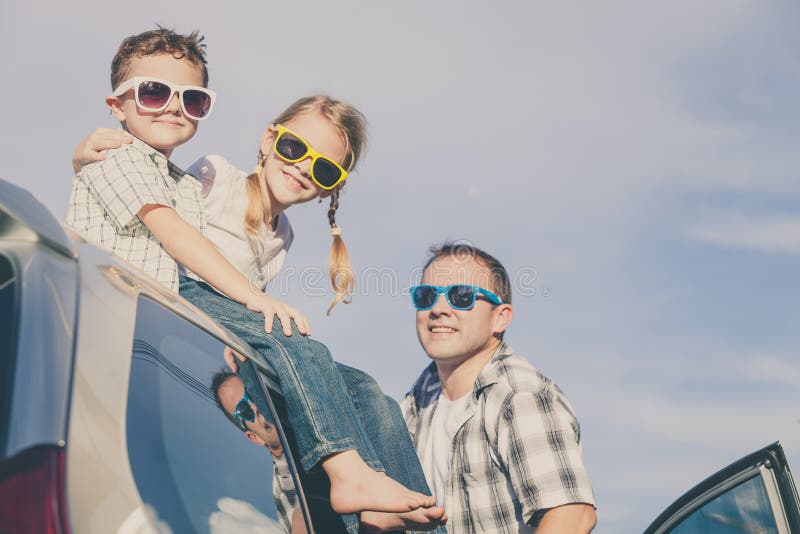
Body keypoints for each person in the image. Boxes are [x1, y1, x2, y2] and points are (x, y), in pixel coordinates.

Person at [67, 26, 445, 533]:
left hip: (216, 326)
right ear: (269, 139)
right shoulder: (210, 176)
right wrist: (82, 156)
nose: (302, 168)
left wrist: (253, 314)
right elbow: (171, 231)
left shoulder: (281, 237)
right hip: (178, 298)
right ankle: (349, 474)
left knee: (363, 388)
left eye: (324, 171)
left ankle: (403, 506)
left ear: (330, 189)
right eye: (293, 146)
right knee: (294, 341)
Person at [401, 243, 597, 533]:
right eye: (426, 296)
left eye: (461, 296)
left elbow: (571, 516)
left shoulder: (518, 395)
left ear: (501, 317)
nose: (438, 309)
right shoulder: (416, 402)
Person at [212, 368, 450, 534]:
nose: (255, 406)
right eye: (244, 410)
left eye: (253, 393)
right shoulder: (286, 488)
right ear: (252, 437)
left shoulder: (331, 437)